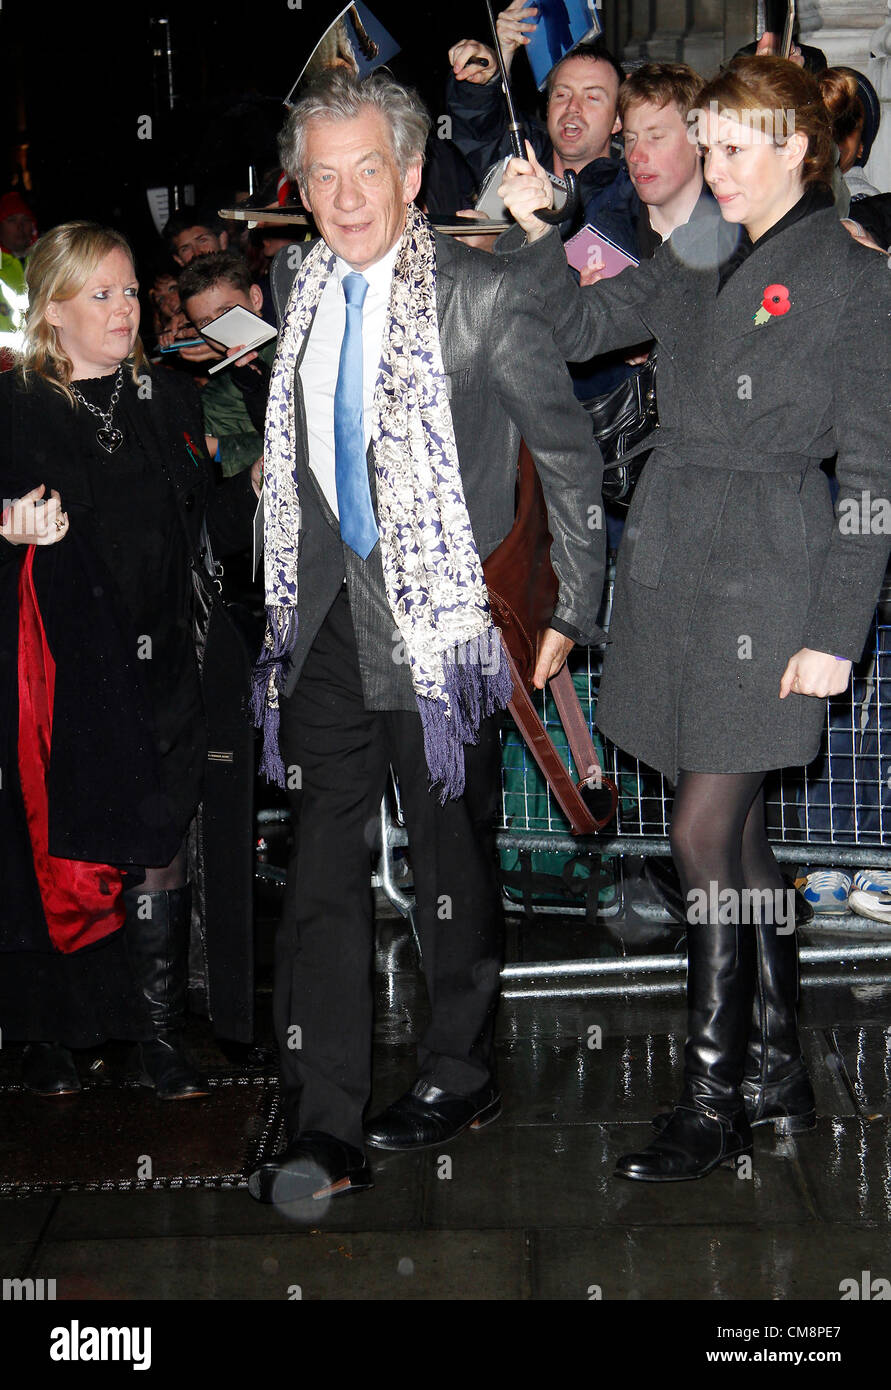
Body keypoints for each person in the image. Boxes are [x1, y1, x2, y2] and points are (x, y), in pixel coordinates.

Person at [499, 55, 891, 1181]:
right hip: (677, 551)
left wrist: (838, 629)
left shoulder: (856, 278)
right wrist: (540, 228)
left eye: (725, 147)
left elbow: (872, 474)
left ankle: (710, 1097)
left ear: (794, 150)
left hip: (772, 567)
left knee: (702, 836)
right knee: (744, 835)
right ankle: (779, 1069)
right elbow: (575, 326)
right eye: (704, 144)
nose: (700, 166)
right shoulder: (700, 247)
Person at [247, 69, 604, 1204]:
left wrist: (569, 609)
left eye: (369, 172)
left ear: (410, 174)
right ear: (301, 191)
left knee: (453, 862)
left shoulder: (484, 296)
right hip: (322, 628)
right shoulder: (292, 281)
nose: (348, 199)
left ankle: (461, 1068)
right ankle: (325, 1121)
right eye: (324, 178)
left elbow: (569, 454)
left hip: (444, 626)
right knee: (320, 870)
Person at [0, 222, 261, 1100]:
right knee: (61, 846)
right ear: (54, 309)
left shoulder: (168, 401)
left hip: (163, 660)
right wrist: (8, 532)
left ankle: (155, 1033)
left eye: (125, 292)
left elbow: (200, 537)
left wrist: (252, 494)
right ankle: (53, 1031)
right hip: (62, 666)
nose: (122, 311)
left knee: (158, 842)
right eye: (99, 295)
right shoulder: (16, 407)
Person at [178, 251, 275, 475]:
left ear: (256, 298)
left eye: (227, 311)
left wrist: (221, 448)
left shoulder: (295, 351)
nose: (219, 327)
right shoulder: (215, 395)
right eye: (205, 322)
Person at [0, 191, 38, 370]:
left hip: (42, 367)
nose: (20, 227)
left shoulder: (47, 262)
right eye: (12, 220)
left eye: (25, 220)